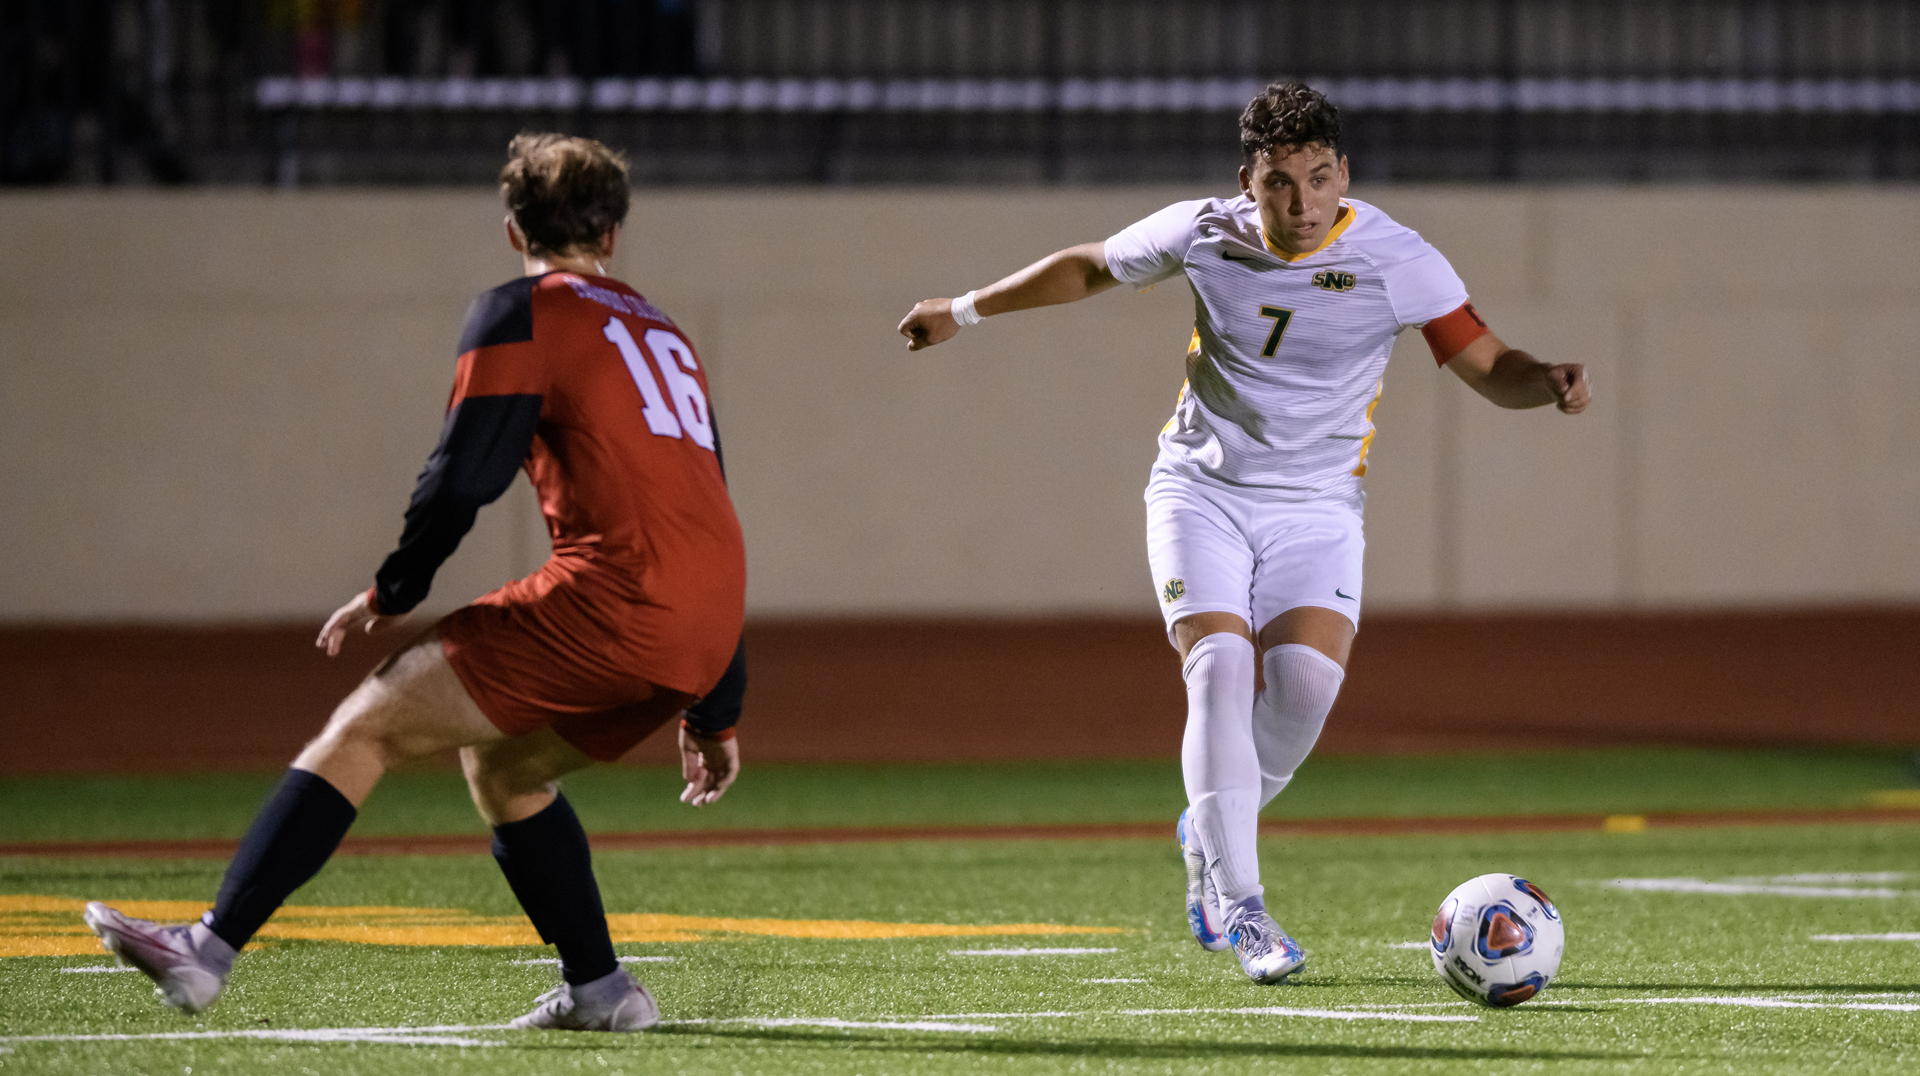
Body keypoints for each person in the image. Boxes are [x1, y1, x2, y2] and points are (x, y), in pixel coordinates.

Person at [897, 82, 1589, 985]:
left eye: (1317, 178)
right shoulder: (1203, 231)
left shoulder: (1397, 256)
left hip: (1318, 508)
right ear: (1247, 182)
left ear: (1344, 172)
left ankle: (1208, 830)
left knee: (1300, 689)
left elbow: (1487, 363)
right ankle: (1246, 909)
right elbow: (1091, 265)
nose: (1301, 204)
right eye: (1278, 183)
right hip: (1201, 493)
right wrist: (964, 309)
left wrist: (1547, 382)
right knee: (1220, 668)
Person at [84, 133, 749, 1032]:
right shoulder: (668, 333)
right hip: (705, 621)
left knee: (367, 725)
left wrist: (394, 590)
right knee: (506, 768)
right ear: (614, 234)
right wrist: (718, 703)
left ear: (513, 230)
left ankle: (208, 949)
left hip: (616, 600)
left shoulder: (523, 311)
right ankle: (602, 991)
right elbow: (706, 506)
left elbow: (464, 475)